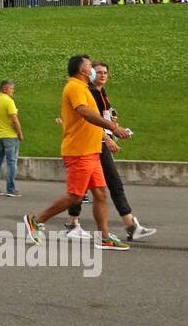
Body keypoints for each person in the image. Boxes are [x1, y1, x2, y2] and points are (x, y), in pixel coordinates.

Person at [24, 55, 132, 251]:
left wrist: (110, 131)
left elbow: (94, 116)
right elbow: (84, 112)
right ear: (82, 70)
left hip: (92, 151)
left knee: (100, 193)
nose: (93, 69)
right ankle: (36, 221)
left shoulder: (83, 88)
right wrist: (112, 127)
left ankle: (104, 237)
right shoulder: (74, 87)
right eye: (90, 66)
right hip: (78, 151)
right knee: (75, 196)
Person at [62, 60, 155, 243]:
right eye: (98, 71)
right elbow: (88, 118)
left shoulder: (100, 92)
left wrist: (114, 125)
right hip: (92, 142)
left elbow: (103, 116)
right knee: (102, 185)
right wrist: (107, 138)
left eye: (105, 72)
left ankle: (124, 225)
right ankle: (51, 221)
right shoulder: (86, 91)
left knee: (97, 188)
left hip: (96, 141)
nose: (102, 75)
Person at [0, 79, 22, 197]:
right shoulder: (9, 101)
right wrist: (20, 133)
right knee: (11, 162)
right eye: (11, 89)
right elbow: (14, 119)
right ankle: (11, 189)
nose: (13, 91)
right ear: (5, 89)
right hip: (10, 136)